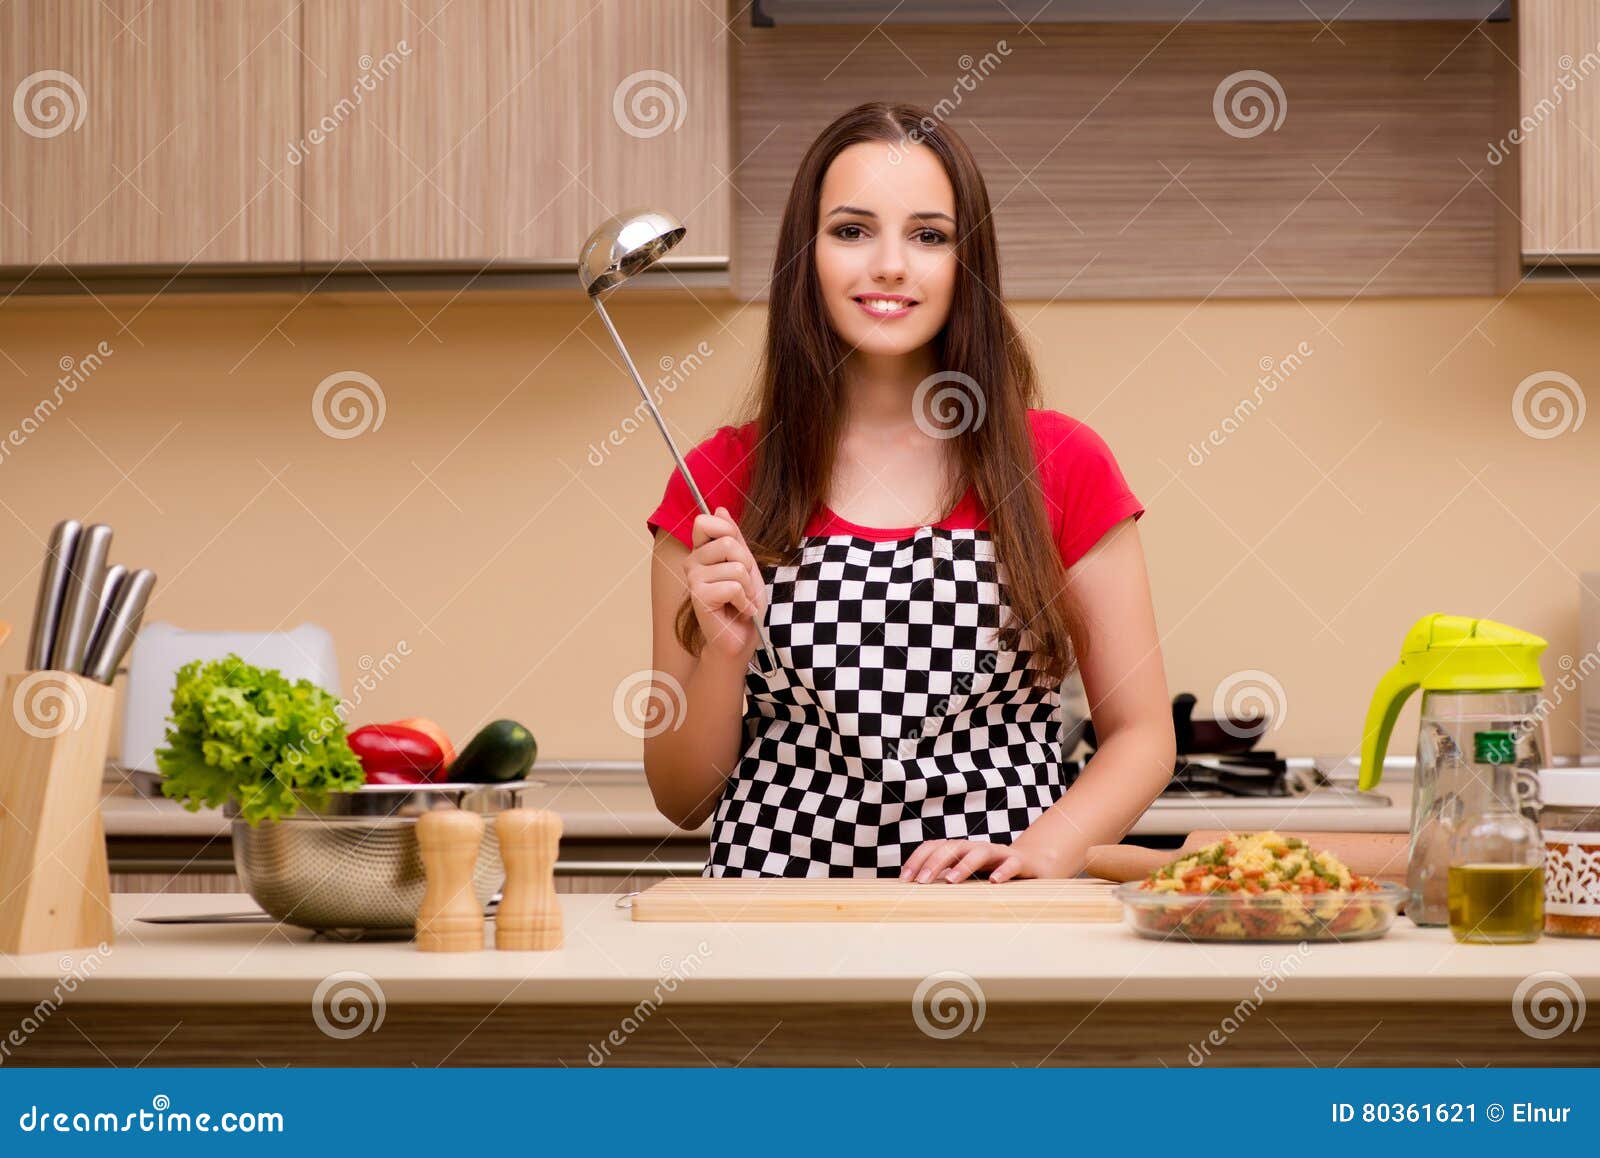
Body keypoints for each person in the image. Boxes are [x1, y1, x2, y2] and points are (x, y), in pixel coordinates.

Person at [643, 102, 1175, 881]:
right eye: (852, 230)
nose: (890, 265)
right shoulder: (714, 482)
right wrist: (727, 653)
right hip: (770, 928)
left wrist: (1040, 853)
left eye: (928, 235)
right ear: (806, 255)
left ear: (969, 262)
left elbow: (1141, 736)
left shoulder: (1062, 463)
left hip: (998, 926)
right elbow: (680, 796)